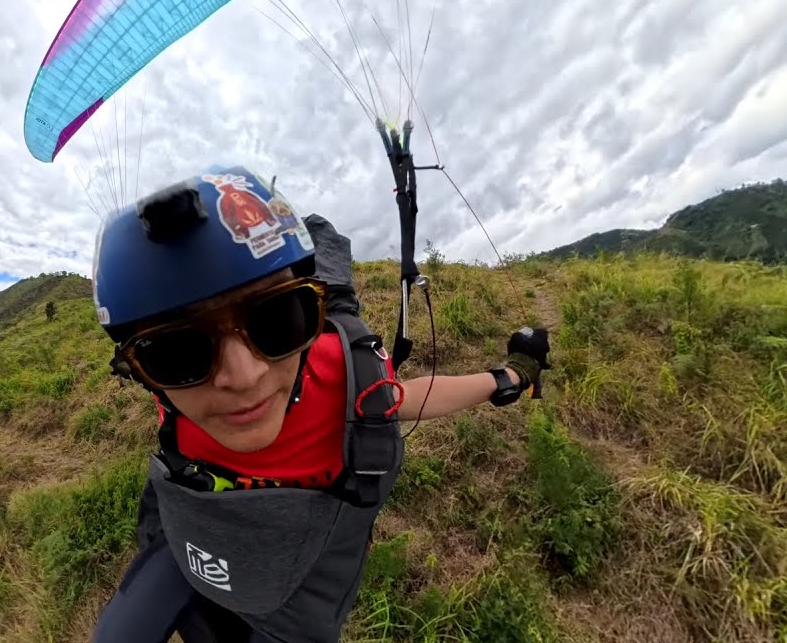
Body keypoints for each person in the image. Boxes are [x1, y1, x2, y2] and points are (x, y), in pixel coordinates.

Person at [89, 164, 552, 643]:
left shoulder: (335, 372)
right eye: (179, 352)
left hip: (293, 572)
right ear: (140, 372)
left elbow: (407, 397)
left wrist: (508, 377)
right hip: (196, 538)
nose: (243, 377)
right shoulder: (170, 391)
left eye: (277, 321)